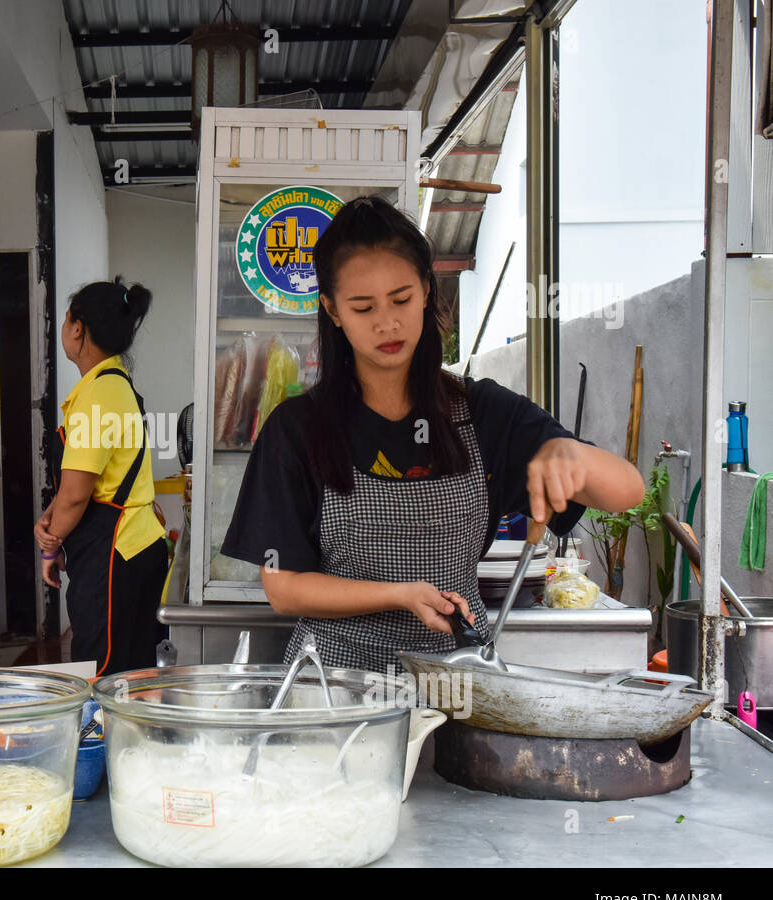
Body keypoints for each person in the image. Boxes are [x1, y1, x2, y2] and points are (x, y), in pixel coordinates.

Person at [219, 196, 645, 673]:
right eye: (363, 307)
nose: (387, 322)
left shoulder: (481, 411)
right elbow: (283, 587)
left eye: (401, 299)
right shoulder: (297, 429)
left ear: (425, 290)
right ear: (333, 311)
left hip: (457, 682)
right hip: (335, 689)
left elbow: (626, 491)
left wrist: (565, 450)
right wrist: (399, 595)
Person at [34, 277, 169, 676]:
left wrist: (49, 542)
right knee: (135, 672)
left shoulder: (96, 396)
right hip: (134, 546)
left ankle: (103, 740)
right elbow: (82, 484)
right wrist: (51, 518)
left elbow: (76, 494)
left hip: (116, 554)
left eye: (65, 320)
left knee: (102, 672)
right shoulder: (113, 386)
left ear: (77, 328)